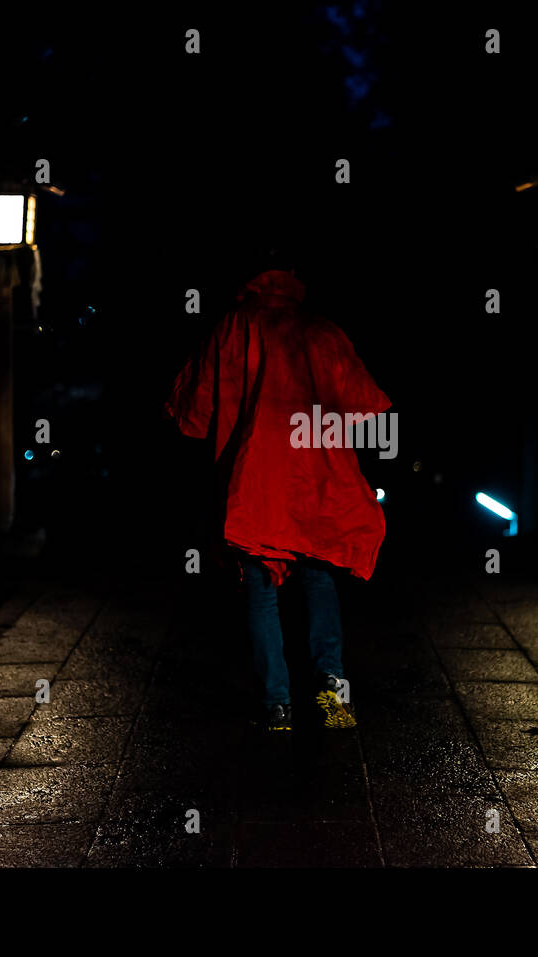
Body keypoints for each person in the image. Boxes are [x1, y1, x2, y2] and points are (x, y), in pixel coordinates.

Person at [164, 248, 390, 731]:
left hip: (257, 482)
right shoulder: (320, 331)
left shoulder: (233, 326)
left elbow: (194, 411)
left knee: (261, 590)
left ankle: (277, 704)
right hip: (316, 481)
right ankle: (331, 686)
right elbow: (365, 404)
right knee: (319, 579)